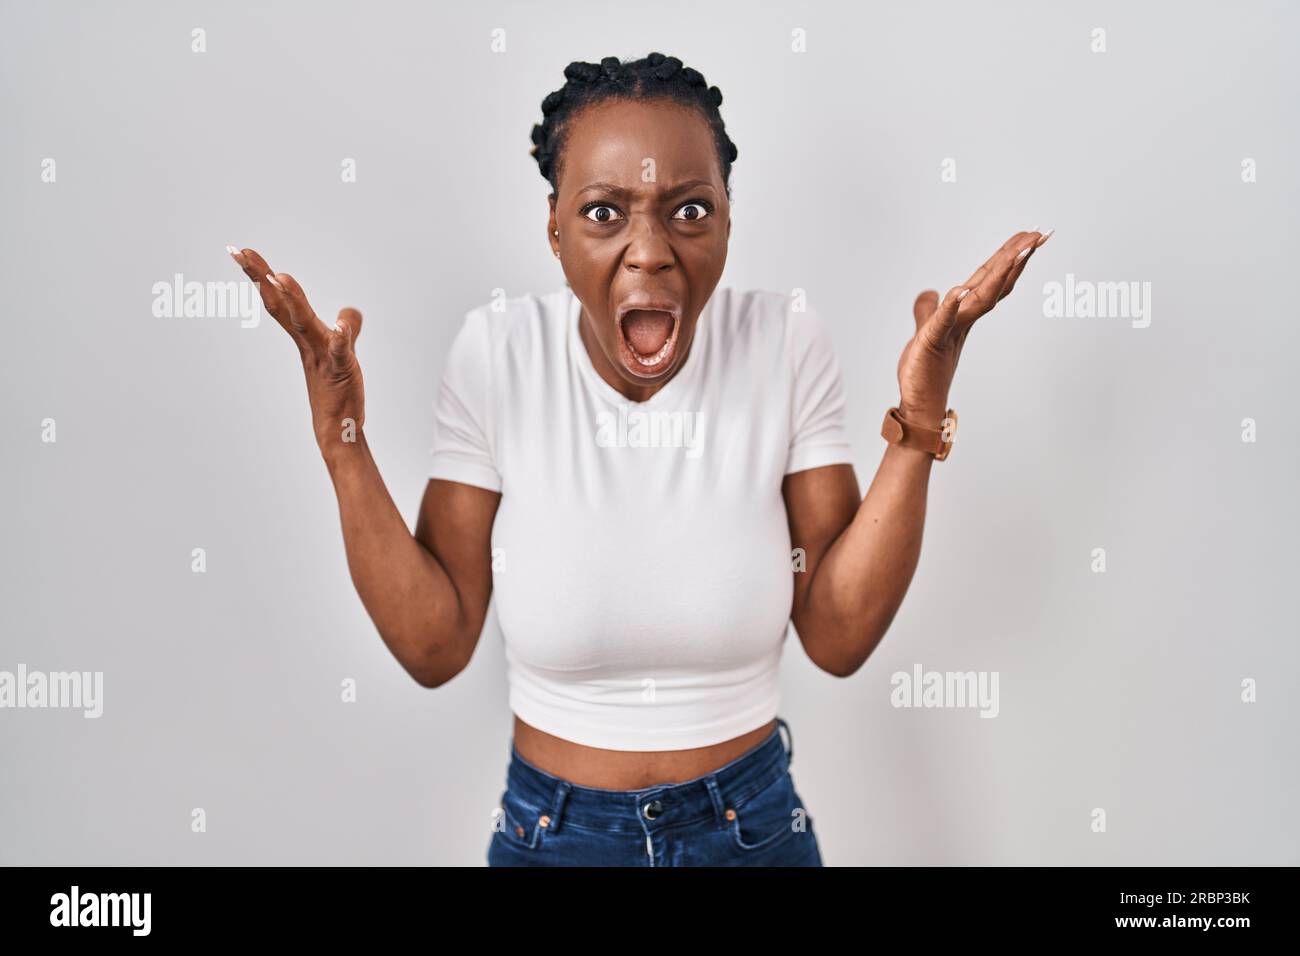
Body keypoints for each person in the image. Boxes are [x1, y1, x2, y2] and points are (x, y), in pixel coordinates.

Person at [225, 51, 1047, 866]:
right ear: (554, 228)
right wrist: (343, 440)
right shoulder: (498, 353)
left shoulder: (783, 342)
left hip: (751, 832)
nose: (649, 250)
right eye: (603, 213)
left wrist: (921, 417)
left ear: (728, 217)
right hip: (553, 836)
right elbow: (433, 646)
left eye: (688, 211)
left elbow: (837, 635)